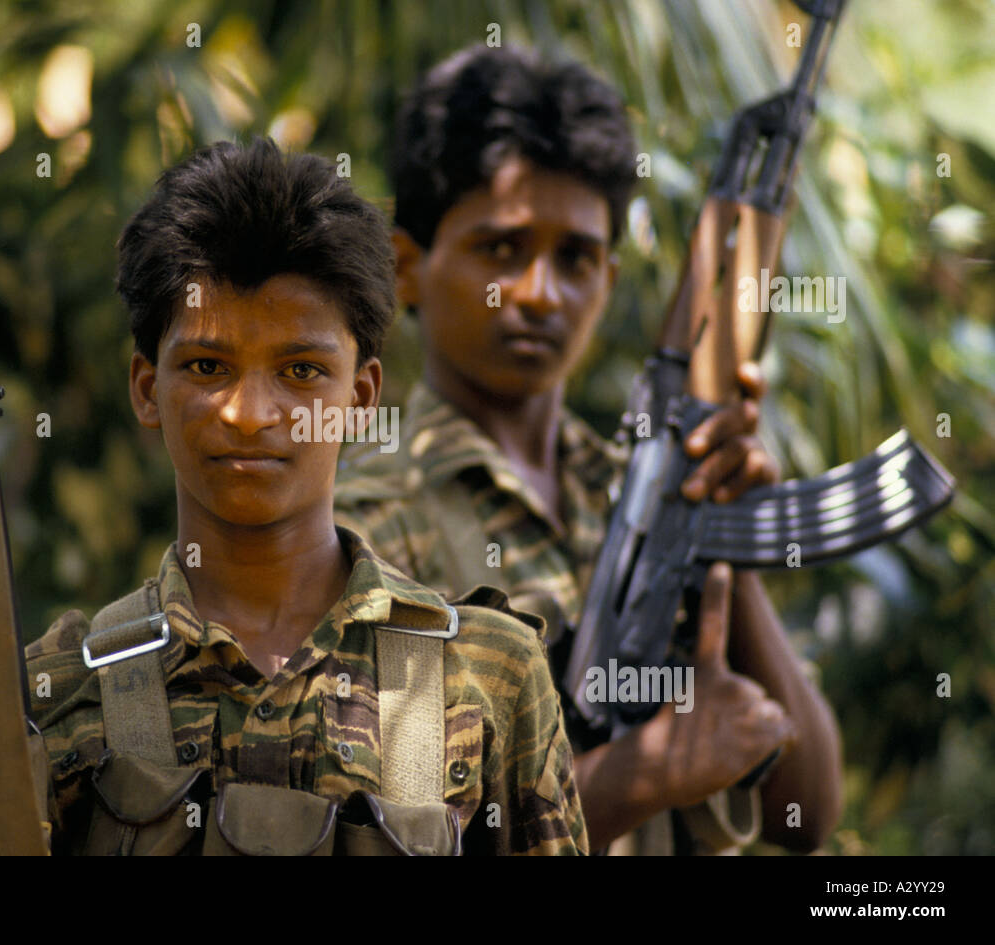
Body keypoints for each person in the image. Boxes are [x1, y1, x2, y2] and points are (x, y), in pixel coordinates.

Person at [0, 137, 587, 855]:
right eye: (208, 365)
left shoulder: (488, 676)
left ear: (361, 395)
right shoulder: (55, 697)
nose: (249, 412)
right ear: (148, 389)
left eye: (301, 371)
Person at [334, 45, 842, 854]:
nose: (540, 291)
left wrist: (722, 546)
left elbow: (803, 814)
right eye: (501, 248)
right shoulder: (363, 534)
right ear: (407, 269)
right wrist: (646, 771)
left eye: (576, 257)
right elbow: (401, 840)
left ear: (608, 275)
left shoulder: (635, 489)